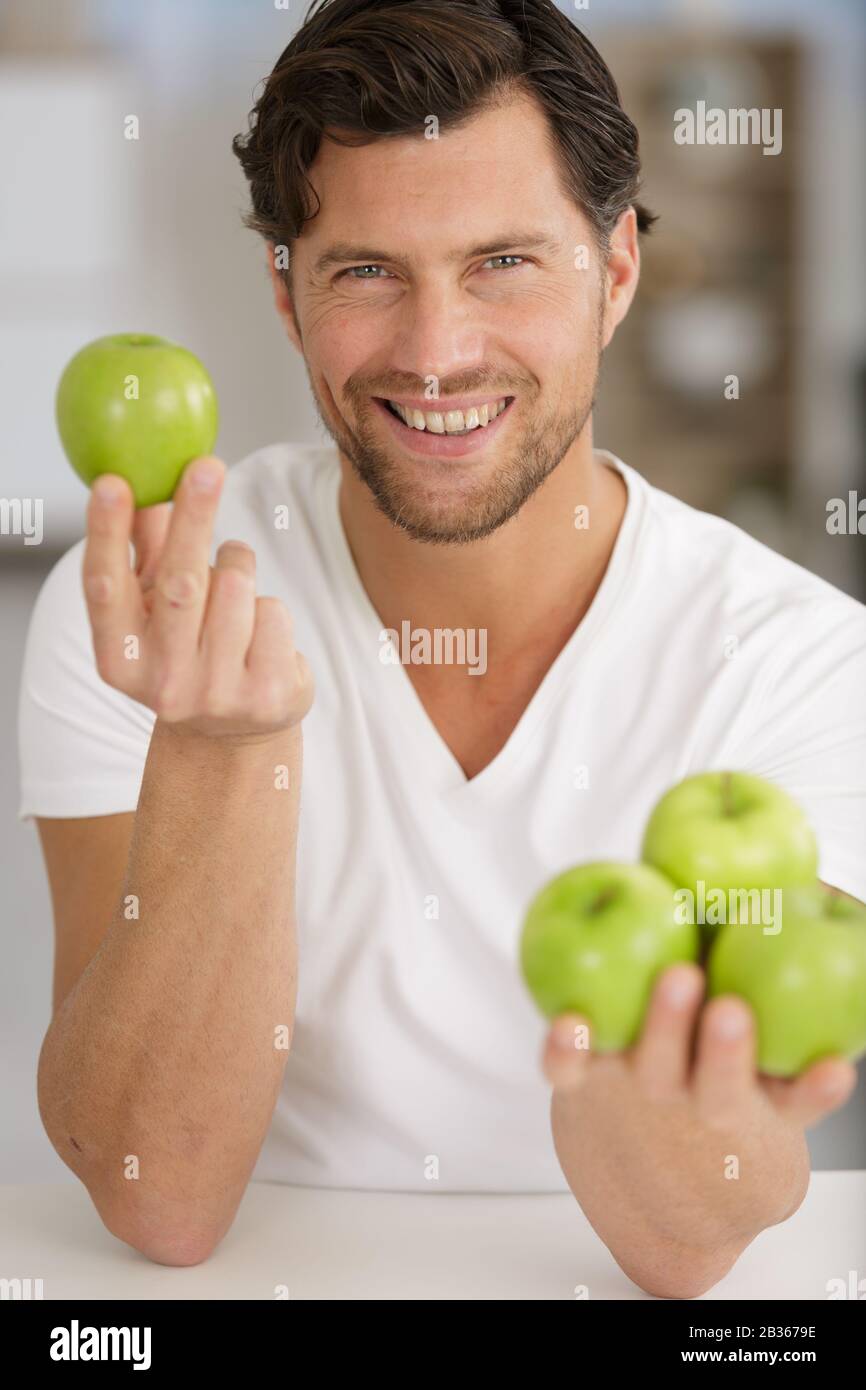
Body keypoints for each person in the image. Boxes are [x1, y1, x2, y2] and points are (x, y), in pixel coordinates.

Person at [20, 0, 866, 1298]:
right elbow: (155, 1193)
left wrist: (639, 1064)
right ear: (287, 294)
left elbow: (688, 1243)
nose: (435, 354)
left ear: (618, 270)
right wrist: (222, 749)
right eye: (365, 269)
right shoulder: (143, 605)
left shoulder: (800, 663)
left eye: (502, 263)